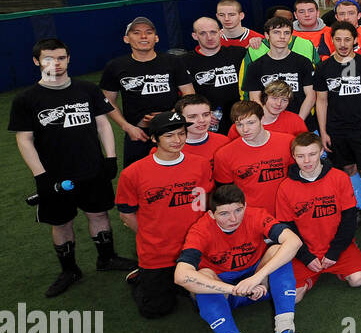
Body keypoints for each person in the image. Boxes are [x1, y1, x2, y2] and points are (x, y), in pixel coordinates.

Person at [11, 38, 136, 298]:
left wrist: (110, 158)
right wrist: (41, 176)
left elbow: (103, 124)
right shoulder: (26, 99)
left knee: (99, 214)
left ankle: (107, 258)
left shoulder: (87, 89)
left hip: (92, 169)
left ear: (68, 59)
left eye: (60, 58)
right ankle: (69, 270)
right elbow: (24, 139)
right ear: (36, 61)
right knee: (61, 222)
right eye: (48, 58)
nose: (55, 64)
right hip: (55, 176)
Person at [174, 184, 304, 333]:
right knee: (202, 276)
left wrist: (256, 278)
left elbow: (294, 242)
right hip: (225, 293)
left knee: (279, 251)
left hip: (258, 285)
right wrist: (234, 289)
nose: (233, 219)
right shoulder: (200, 230)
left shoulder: (256, 215)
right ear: (211, 214)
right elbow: (181, 276)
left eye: (238, 210)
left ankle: (285, 331)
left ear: (245, 206)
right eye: (224, 213)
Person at [113, 114, 214, 317]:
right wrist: (150, 235)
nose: (177, 140)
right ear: (154, 139)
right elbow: (126, 214)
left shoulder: (201, 164)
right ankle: (140, 278)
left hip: (193, 248)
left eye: (181, 134)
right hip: (156, 254)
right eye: (169, 135)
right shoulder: (133, 173)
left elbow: (201, 203)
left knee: (205, 302)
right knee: (156, 310)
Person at [275, 133, 361, 301]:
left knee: (358, 279)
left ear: (321, 153)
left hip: (336, 247)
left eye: (312, 154)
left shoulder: (339, 177)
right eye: (300, 156)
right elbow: (287, 228)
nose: (307, 161)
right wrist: (306, 257)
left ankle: (336, 268)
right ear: (293, 156)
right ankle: (313, 275)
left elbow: (349, 219)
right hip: (305, 250)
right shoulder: (285, 187)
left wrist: (334, 252)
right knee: (293, 297)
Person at [101, 16, 195, 168]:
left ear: (156, 38)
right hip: (138, 135)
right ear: (126, 39)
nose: (143, 36)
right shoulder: (115, 66)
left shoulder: (173, 61)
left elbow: (189, 94)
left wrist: (169, 117)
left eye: (149, 32)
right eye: (137, 33)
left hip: (172, 132)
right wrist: (127, 127)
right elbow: (107, 101)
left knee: (178, 174)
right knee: (137, 178)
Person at [314, 22, 361, 220]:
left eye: (347, 39)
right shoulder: (323, 68)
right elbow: (321, 101)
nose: (343, 44)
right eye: (338, 39)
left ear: (355, 40)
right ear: (332, 41)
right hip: (336, 129)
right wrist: (323, 132)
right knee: (347, 168)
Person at [214, 100, 293, 213]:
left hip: (286, 212)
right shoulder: (224, 155)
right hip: (250, 217)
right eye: (239, 124)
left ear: (262, 119)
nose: (245, 129)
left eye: (251, 122)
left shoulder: (287, 142)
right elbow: (226, 194)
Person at [242, 16, 316, 121]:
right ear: (267, 35)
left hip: (301, 120)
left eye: (286, 33)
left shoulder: (303, 62)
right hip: (268, 123)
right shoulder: (255, 66)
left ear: (290, 36)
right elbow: (255, 99)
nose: (282, 36)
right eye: (276, 32)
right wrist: (268, 121)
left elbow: (311, 96)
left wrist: (299, 120)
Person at [185, 17, 245, 133]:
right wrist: (202, 113)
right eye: (203, 33)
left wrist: (257, 41)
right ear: (195, 36)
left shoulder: (238, 53)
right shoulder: (185, 61)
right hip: (208, 123)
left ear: (221, 33)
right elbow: (185, 96)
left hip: (241, 119)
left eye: (213, 32)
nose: (209, 37)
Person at [226, 80, 307, 139]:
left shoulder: (296, 121)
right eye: (274, 98)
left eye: (284, 100)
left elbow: (306, 146)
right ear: (265, 98)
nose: (279, 103)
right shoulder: (243, 123)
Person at [172, 94, 230, 170]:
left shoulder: (224, 142)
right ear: (179, 118)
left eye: (206, 115)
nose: (202, 120)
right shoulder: (170, 148)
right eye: (192, 116)